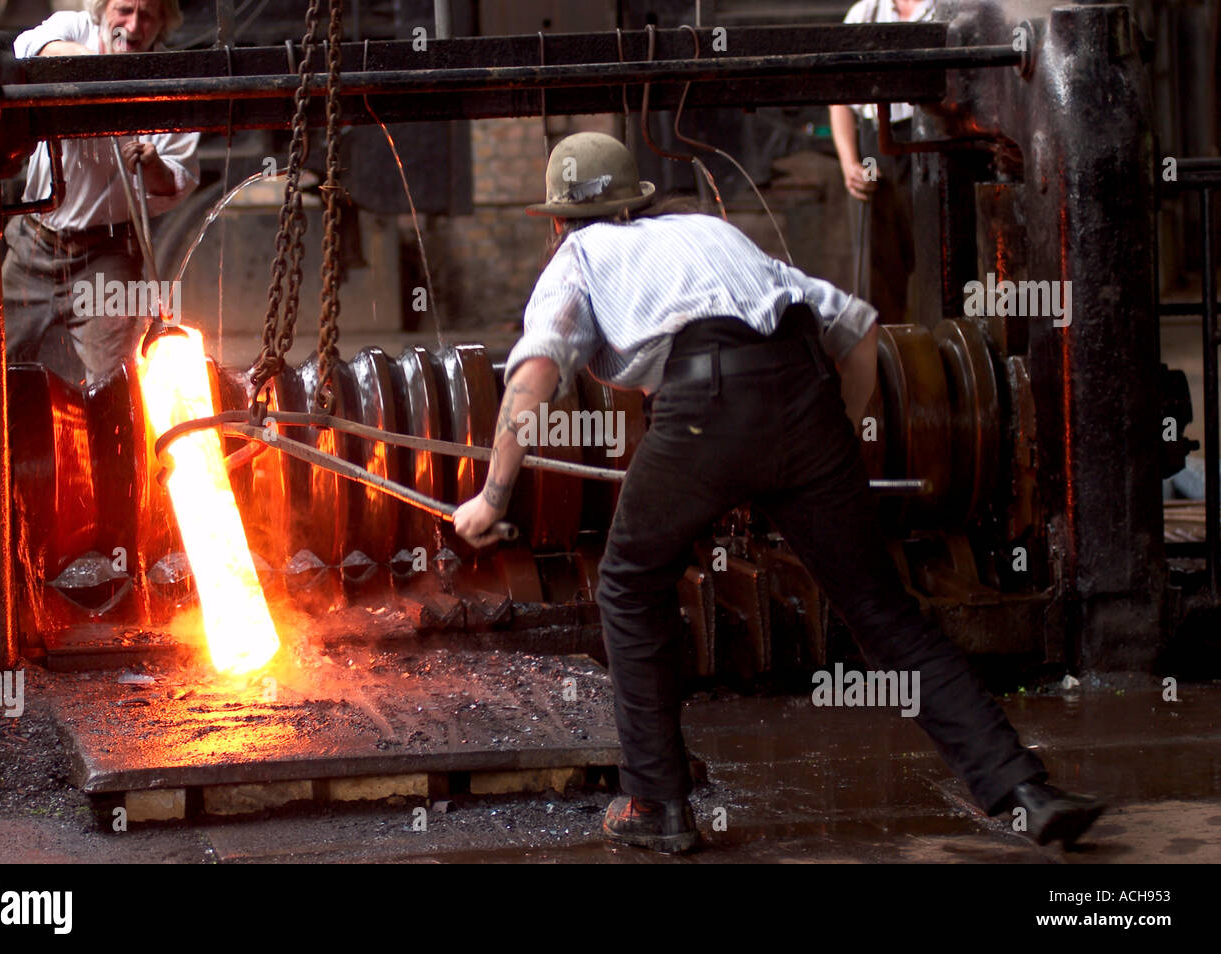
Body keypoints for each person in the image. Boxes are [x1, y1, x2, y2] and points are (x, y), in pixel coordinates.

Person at [452, 131, 1104, 854]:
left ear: (556, 221)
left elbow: (533, 377)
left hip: (703, 408)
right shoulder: (707, 229)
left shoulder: (576, 257)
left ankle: (656, 805)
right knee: (884, 611)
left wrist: (494, 495)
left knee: (631, 585)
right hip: (806, 398)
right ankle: (1024, 792)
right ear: (635, 203)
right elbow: (857, 328)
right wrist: (830, 441)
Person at [2, 0, 200, 384]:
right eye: (124, 10)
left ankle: (116, 443)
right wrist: (100, 68)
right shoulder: (74, 28)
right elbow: (30, 45)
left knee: (115, 381)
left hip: (104, 255)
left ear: (162, 25)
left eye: (147, 16)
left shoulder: (171, 81)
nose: (133, 25)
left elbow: (176, 181)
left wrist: (152, 163)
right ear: (103, 9)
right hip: (34, 246)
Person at [829, 0, 934, 325]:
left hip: (932, 147)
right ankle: (886, 360)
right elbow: (839, 99)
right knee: (877, 275)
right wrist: (849, 163)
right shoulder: (864, 14)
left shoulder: (950, 8)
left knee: (937, 266)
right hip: (874, 152)